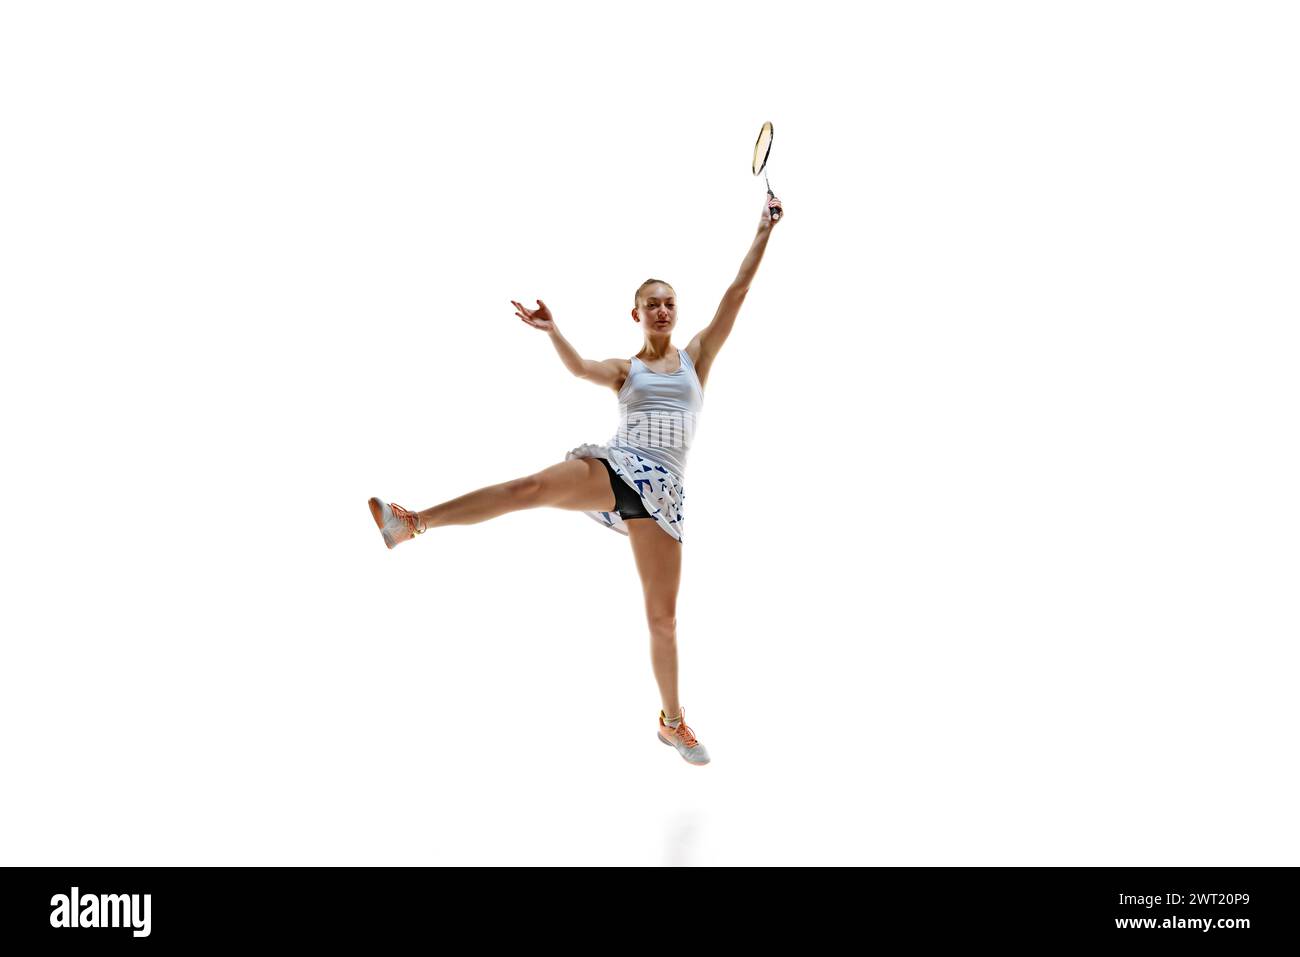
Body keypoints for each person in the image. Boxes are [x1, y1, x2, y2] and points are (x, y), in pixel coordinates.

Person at [368, 193, 783, 765]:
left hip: (663, 495)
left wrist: (764, 228)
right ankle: (411, 521)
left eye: (669, 304)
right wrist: (553, 330)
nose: (662, 311)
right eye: (651, 304)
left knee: (662, 621)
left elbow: (737, 291)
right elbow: (581, 366)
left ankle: (673, 722)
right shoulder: (625, 369)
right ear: (634, 313)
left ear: (677, 312)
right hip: (618, 466)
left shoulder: (697, 357)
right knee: (530, 489)